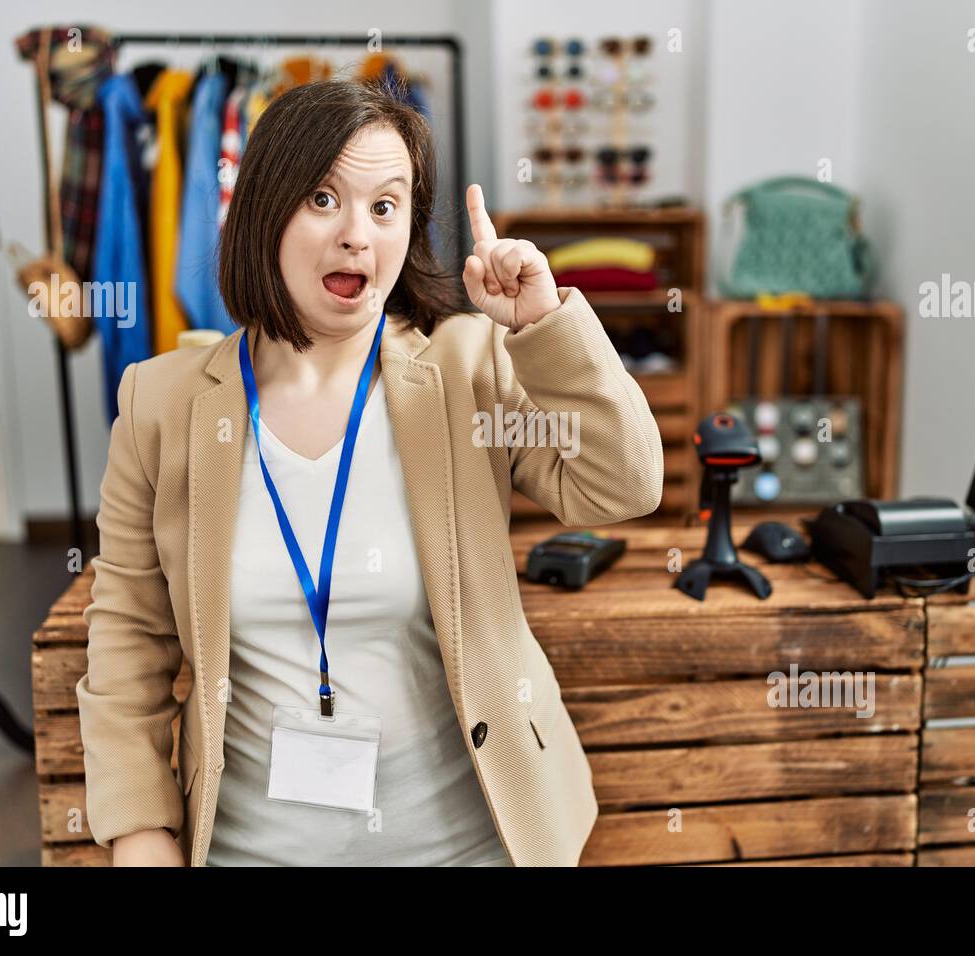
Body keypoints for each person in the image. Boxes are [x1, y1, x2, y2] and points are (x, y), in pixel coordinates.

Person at [75, 78, 664, 866]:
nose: (358, 234)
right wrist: (143, 835)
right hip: (252, 850)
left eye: (385, 206)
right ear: (263, 211)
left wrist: (544, 326)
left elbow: (625, 484)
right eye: (323, 198)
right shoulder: (160, 402)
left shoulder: (466, 368)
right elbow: (128, 639)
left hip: (468, 846)